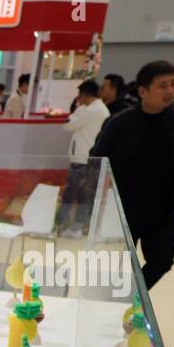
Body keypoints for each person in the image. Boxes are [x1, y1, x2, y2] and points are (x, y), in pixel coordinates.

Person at [90, 60, 174, 290]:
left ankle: (134, 298)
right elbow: (97, 159)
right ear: (142, 91)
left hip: (165, 208)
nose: (170, 91)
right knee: (119, 262)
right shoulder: (120, 123)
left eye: (173, 84)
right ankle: (120, 303)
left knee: (162, 261)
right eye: (162, 85)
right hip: (125, 209)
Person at [57, 79, 108, 236]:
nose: (78, 99)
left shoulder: (91, 110)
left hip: (83, 158)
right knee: (84, 193)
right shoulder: (97, 108)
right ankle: (76, 226)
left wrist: (75, 111)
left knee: (75, 193)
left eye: (80, 95)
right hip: (86, 157)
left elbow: (68, 124)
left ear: (86, 95)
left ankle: (68, 225)